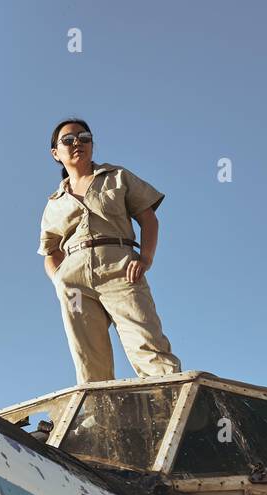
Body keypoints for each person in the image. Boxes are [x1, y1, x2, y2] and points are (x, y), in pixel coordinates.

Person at [38, 118, 181, 384]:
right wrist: (59, 280)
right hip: (73, 281)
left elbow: (148, 218)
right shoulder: (53, 204)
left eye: (84, 137)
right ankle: (99, 420)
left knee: (145, 340)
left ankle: (170, 398)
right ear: (56, 153)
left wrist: (146, 258)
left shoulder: (117, 177)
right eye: (68, 140)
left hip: (119, 267)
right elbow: (50, 252)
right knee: (88, 357)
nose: (77, 143)